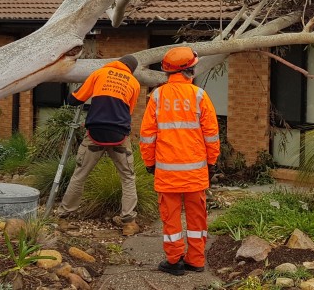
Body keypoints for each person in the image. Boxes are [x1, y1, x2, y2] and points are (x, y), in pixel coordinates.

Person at [140, 46, 220, 276]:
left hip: (167, 172)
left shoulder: (156, 96)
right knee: (197, 217)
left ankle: (174, 261)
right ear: (190, 71)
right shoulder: (200, 96)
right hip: (196, 172)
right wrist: (211, 162)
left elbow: (147, 135)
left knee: (171, 218)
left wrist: (149, 162)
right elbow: (211, 134)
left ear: (167, 72)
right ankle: (195, 260)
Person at [57, 55, 141, 227]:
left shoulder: (99, 74)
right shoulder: (134, 83)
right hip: (119, 136)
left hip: (95, 133)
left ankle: (63, 217)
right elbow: (128, 111)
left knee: (79, 175)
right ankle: (129, 223)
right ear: (130, 69)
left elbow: (74, 100)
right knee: (128, 178)